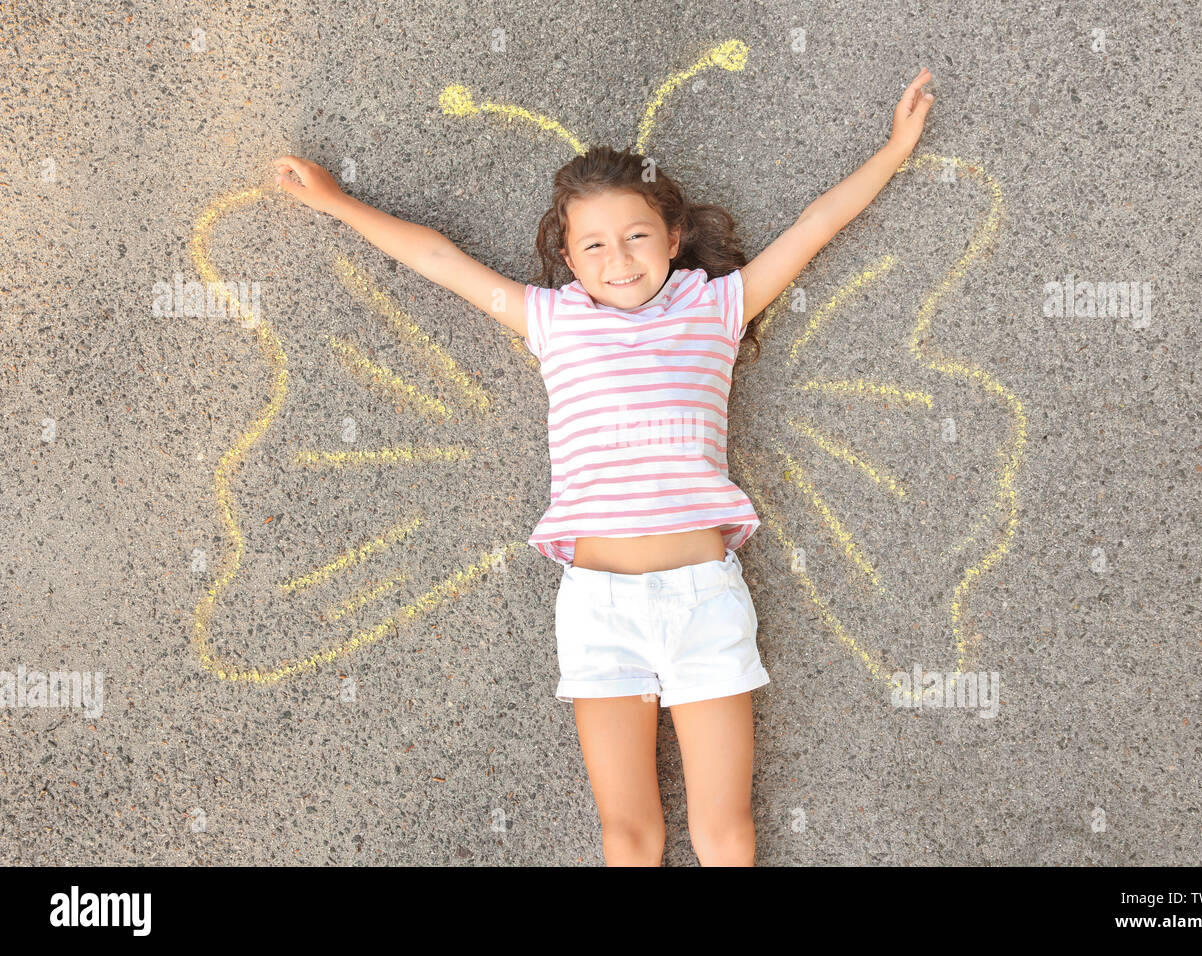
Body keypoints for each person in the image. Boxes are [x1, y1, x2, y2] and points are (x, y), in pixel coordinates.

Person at [273, 67, 934, 866]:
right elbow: (440, 260)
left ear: (673, 236)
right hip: (598, 610)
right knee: (627, 833)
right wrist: (335, 203)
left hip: (704, 599)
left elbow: (815, 225)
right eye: (593, 245)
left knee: (724, 830)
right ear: (568, 257)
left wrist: (895, 150)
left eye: (636, 237)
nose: (618, 259)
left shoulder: (715, 306)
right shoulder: (551, 319)